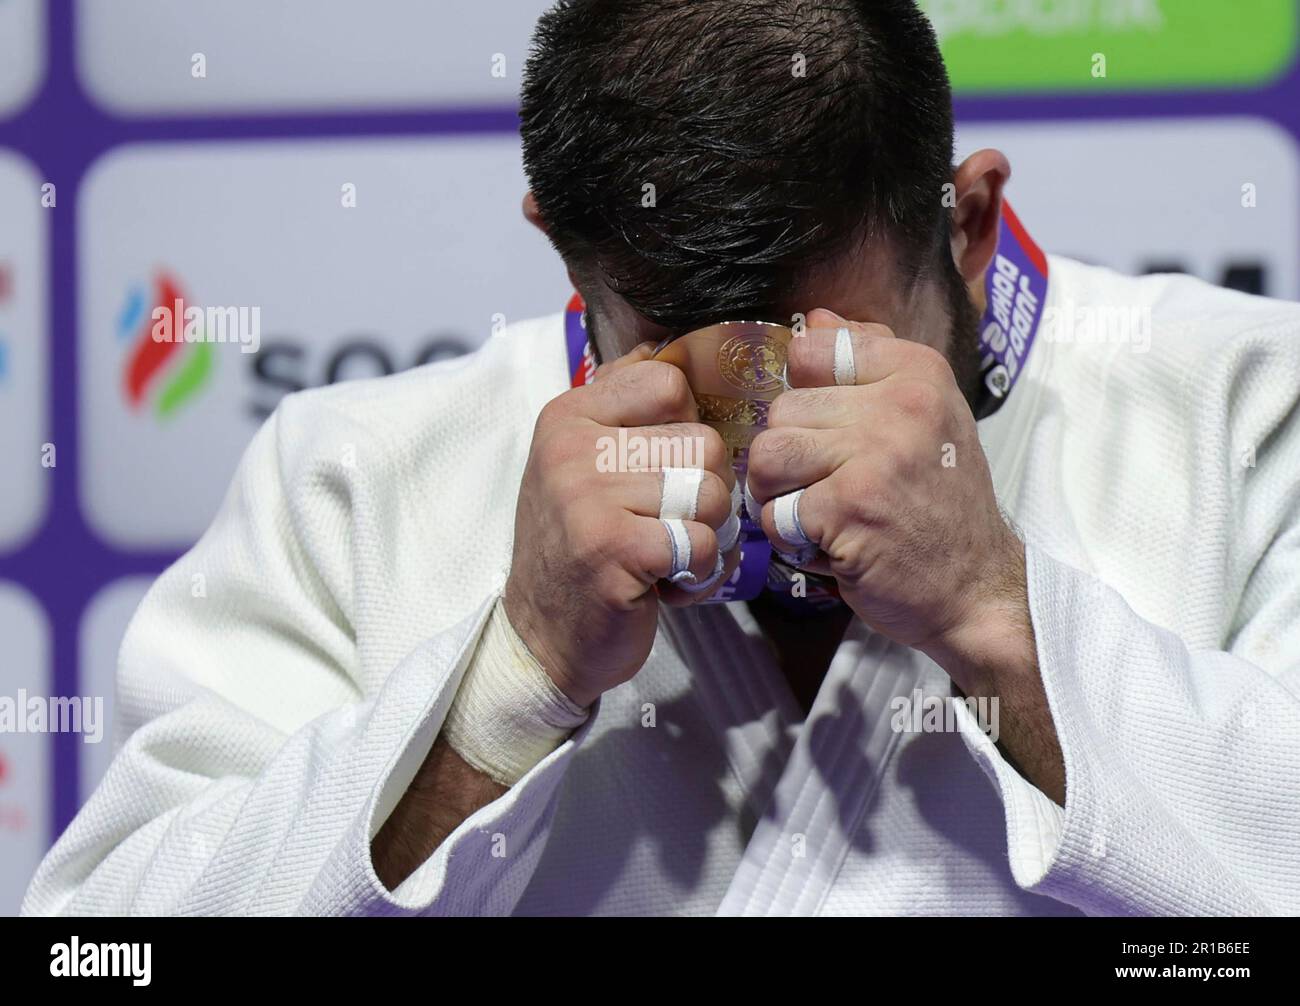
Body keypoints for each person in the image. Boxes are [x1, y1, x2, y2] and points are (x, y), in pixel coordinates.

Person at [24, 0, 1300, 916]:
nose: (764, 441)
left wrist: (1000, 616)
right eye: (686, 366)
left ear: (963, 223)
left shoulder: (1250, 408)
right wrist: (499, 691)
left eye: (827, 357)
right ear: (562, 253)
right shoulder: (353, 475)